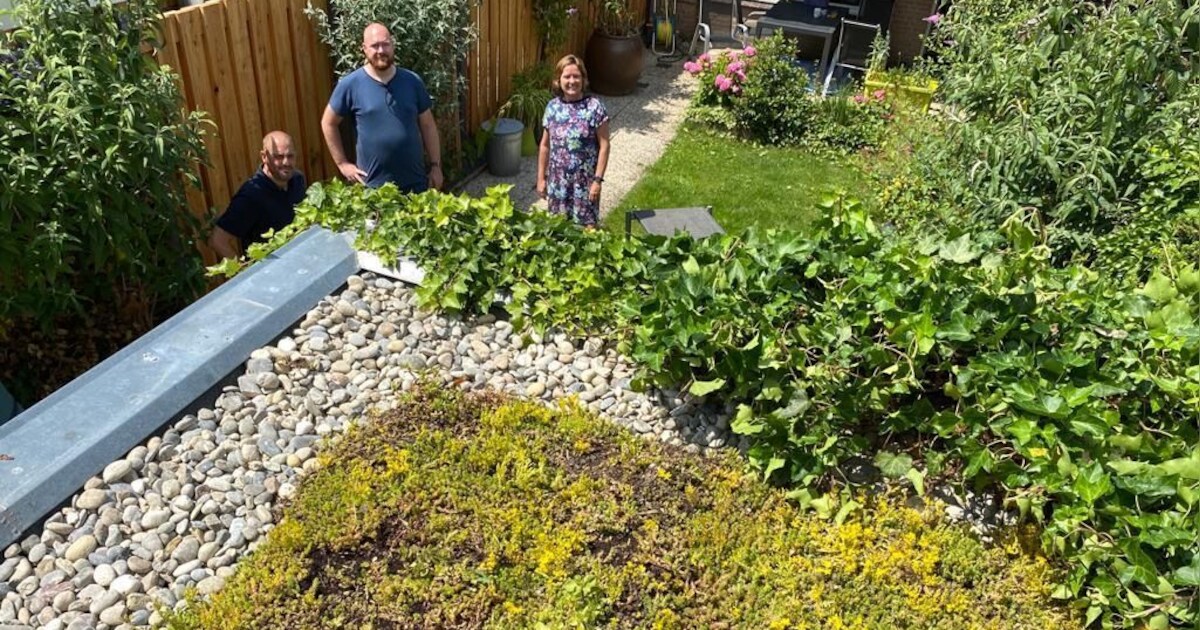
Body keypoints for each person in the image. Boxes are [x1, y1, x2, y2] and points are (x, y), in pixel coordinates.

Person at [320, 22, 442, 193]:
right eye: (375, 46)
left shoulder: (412, 81)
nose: (381, 50)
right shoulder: (350, 85)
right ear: (364, 49)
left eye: (385, 44)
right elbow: (328, 123)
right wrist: (342, 164)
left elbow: (428, 125)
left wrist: (436, 166)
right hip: (373, 188)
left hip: (416, 185)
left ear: (393, 45)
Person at [536, 54, 611, 228]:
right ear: (558, 80)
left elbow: (605, 146)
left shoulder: (594, 107)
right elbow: (545, 146)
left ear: (583, 79)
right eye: (567, 76)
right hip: (558, 183)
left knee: (587, 230)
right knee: (558, 229)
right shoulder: (552, 108)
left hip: (584, 183)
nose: (572, 81)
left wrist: (597, 181)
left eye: (576, 76)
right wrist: (541, 179)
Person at [209, 130, 305, 260]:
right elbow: (218, 240)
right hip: (270, 269)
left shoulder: (297, 180)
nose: (286, 162)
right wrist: (244, 270)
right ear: (264, 156)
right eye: (278, 157)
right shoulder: (252, 195)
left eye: (290, 156)